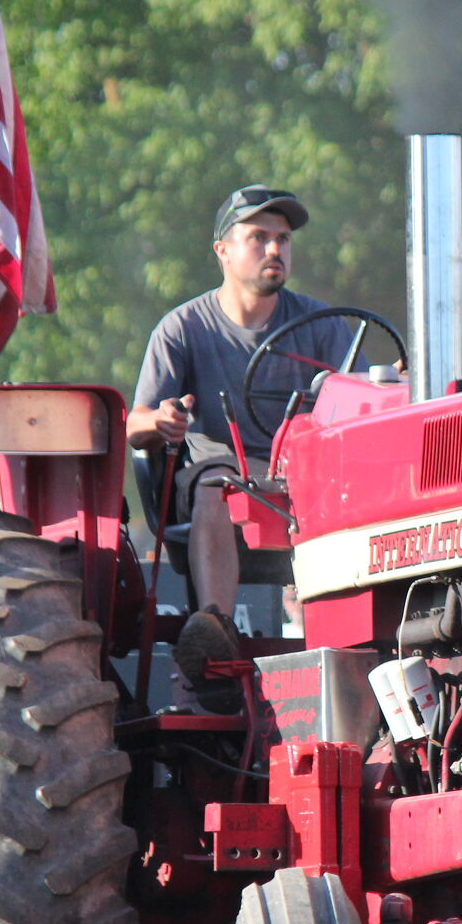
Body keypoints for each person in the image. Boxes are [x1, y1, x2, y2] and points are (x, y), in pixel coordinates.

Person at [126, 186, 353, 691]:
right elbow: (134, 422)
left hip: (304, 472)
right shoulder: (184, 328)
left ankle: (353, 645)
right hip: (223, 469)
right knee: (217, 488)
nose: (275, 249)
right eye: (259, 238)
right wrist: (162, 421)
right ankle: (213, 632)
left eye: (283, 239)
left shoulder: (322, 325)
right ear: (222, 250)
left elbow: (357, 398)